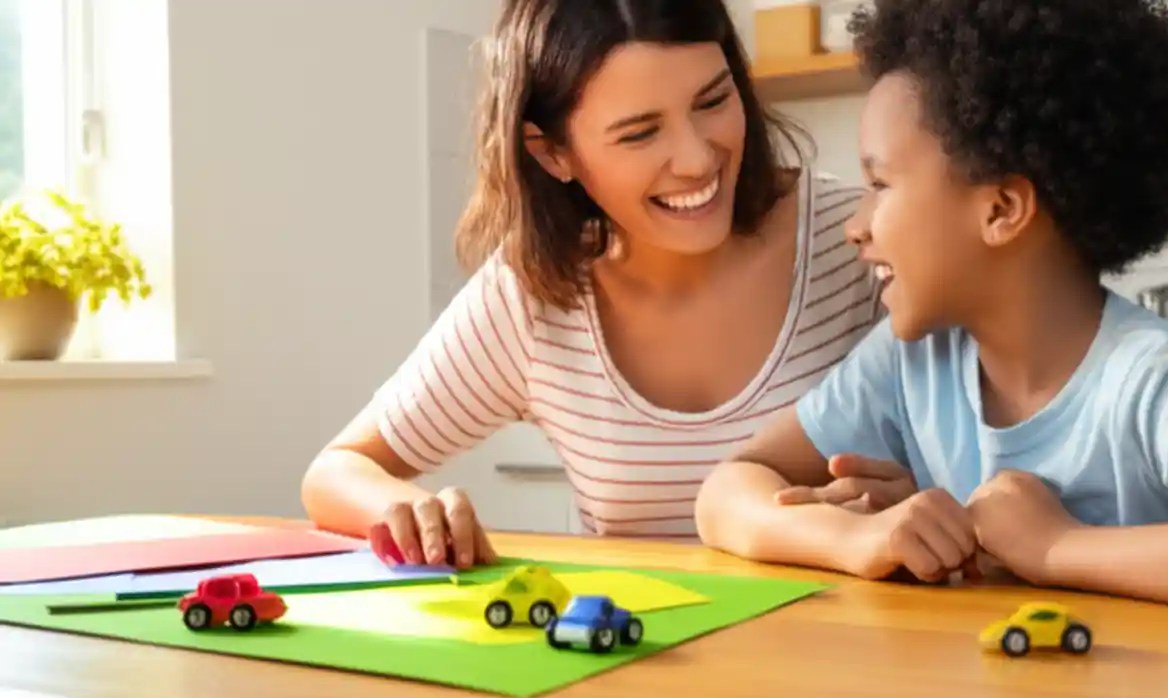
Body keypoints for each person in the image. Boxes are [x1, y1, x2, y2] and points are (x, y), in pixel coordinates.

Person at [695, 0, 1168, 616]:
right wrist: (859, 538)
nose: (856, 226)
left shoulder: (1155, 380)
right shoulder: (909, 363)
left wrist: (1059, 548)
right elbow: (726, 492)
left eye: (880, 185)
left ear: (1000, 211)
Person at [300, 0, 880, 569]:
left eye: (713, 100)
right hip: (636, 652)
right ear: (553, 153)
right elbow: (336, 471)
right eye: (639, 134)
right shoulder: (531, 294)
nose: (696, 158)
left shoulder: (860, 238)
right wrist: (415, 510)